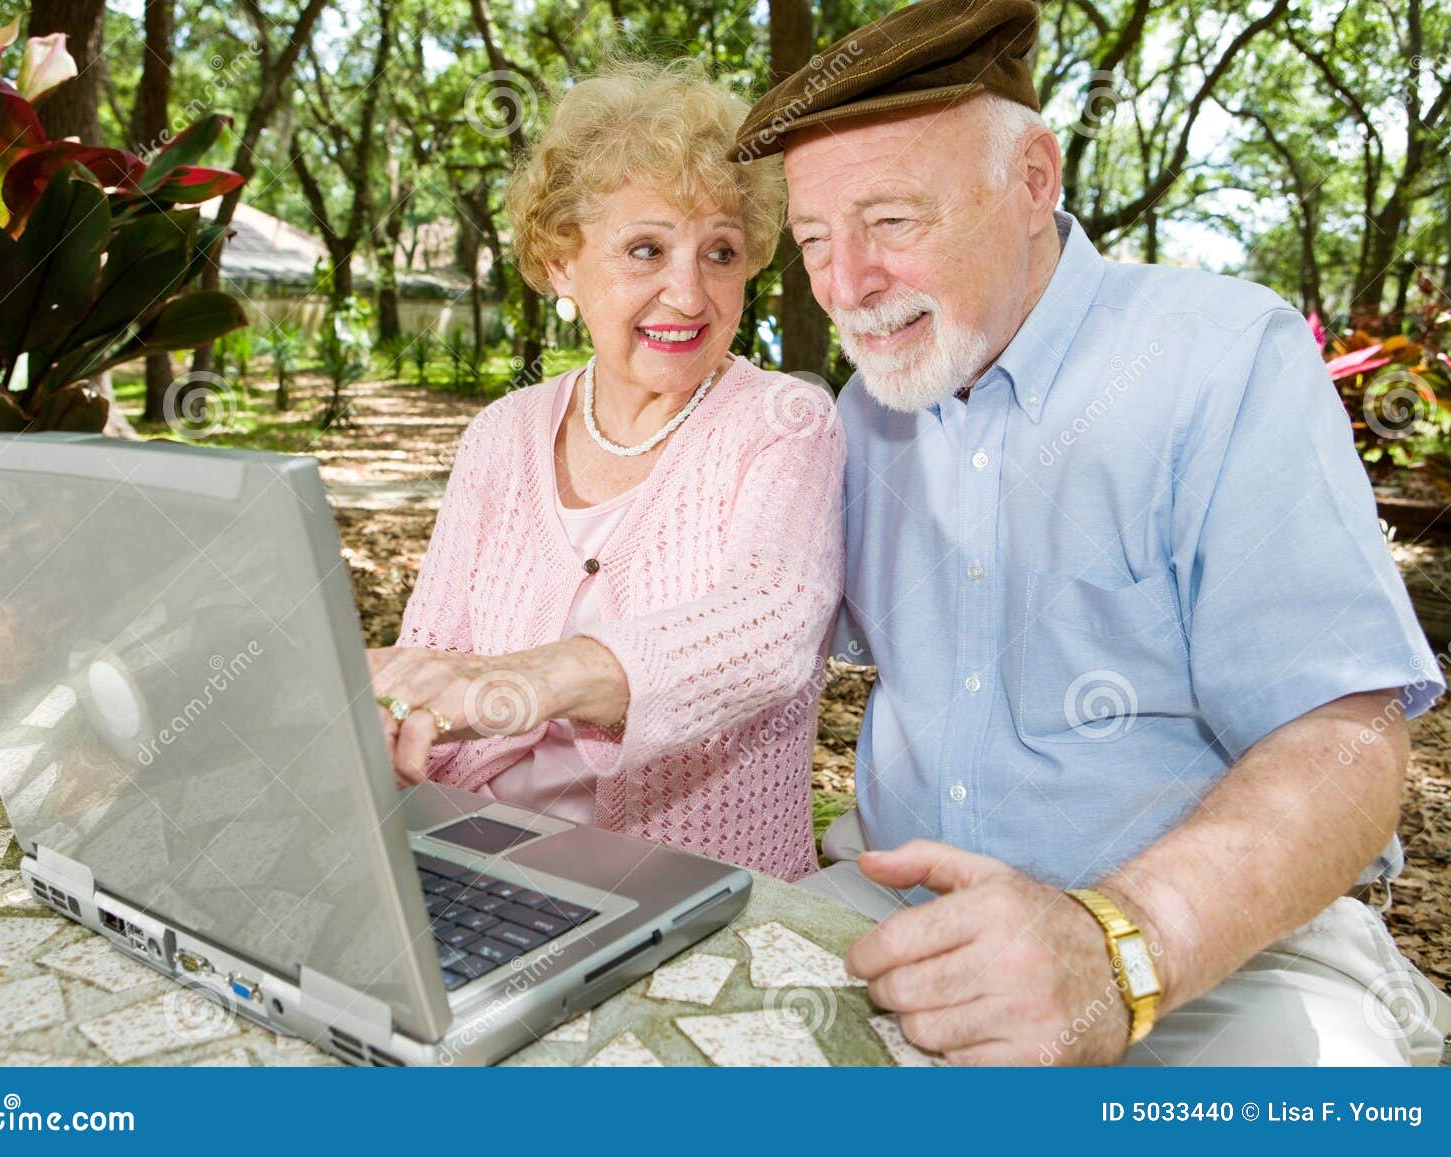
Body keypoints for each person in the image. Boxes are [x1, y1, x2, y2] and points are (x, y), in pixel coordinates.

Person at [734, 0, 1451, 1063]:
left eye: (891, 222)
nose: (846, 285)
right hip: (894, 915)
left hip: (1220, 954)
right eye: (812, 241)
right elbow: (740, 631)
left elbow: (1346, 741)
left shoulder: (1220, 358)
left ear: (1033, 180)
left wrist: (1118, 945)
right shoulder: (864, 415)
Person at [366, 59, 844, 881]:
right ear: (563, 264)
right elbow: (432, 655)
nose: (688, 294)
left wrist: (530, 678)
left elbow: (769, 633)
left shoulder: (785, 423)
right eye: (645, 249)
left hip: (685, 885)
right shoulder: (499, 436)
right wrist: (392, 713)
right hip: (475, 859)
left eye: (721, 252)